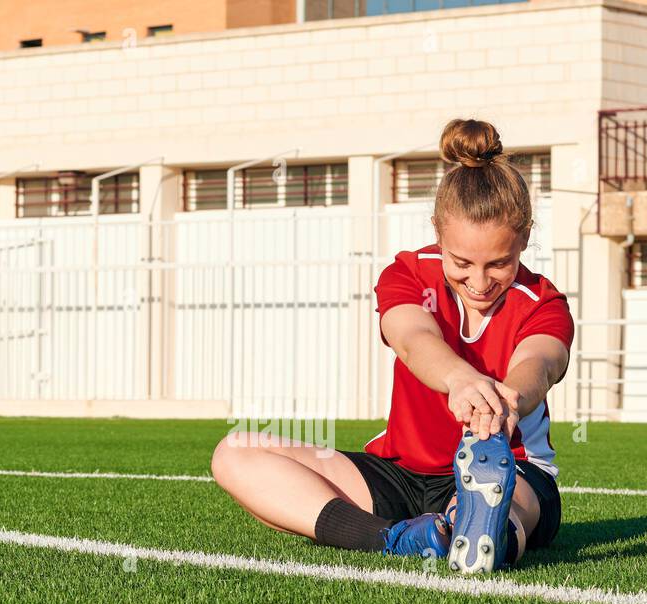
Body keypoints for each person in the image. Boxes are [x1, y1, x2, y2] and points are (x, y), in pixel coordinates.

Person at [211, 118, 574, 573]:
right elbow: (413, 337)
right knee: (235, 452)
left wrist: (508, 400)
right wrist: (461, 380)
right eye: (461, 263)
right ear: (438, 235)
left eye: (499, 263)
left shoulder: (543, 301)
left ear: (524, 238)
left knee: (501, 506)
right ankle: (395, 537)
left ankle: (478, 525)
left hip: (510, 466)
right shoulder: (406, 274)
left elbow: (539, 362)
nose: (479, 282)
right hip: (401, 473)